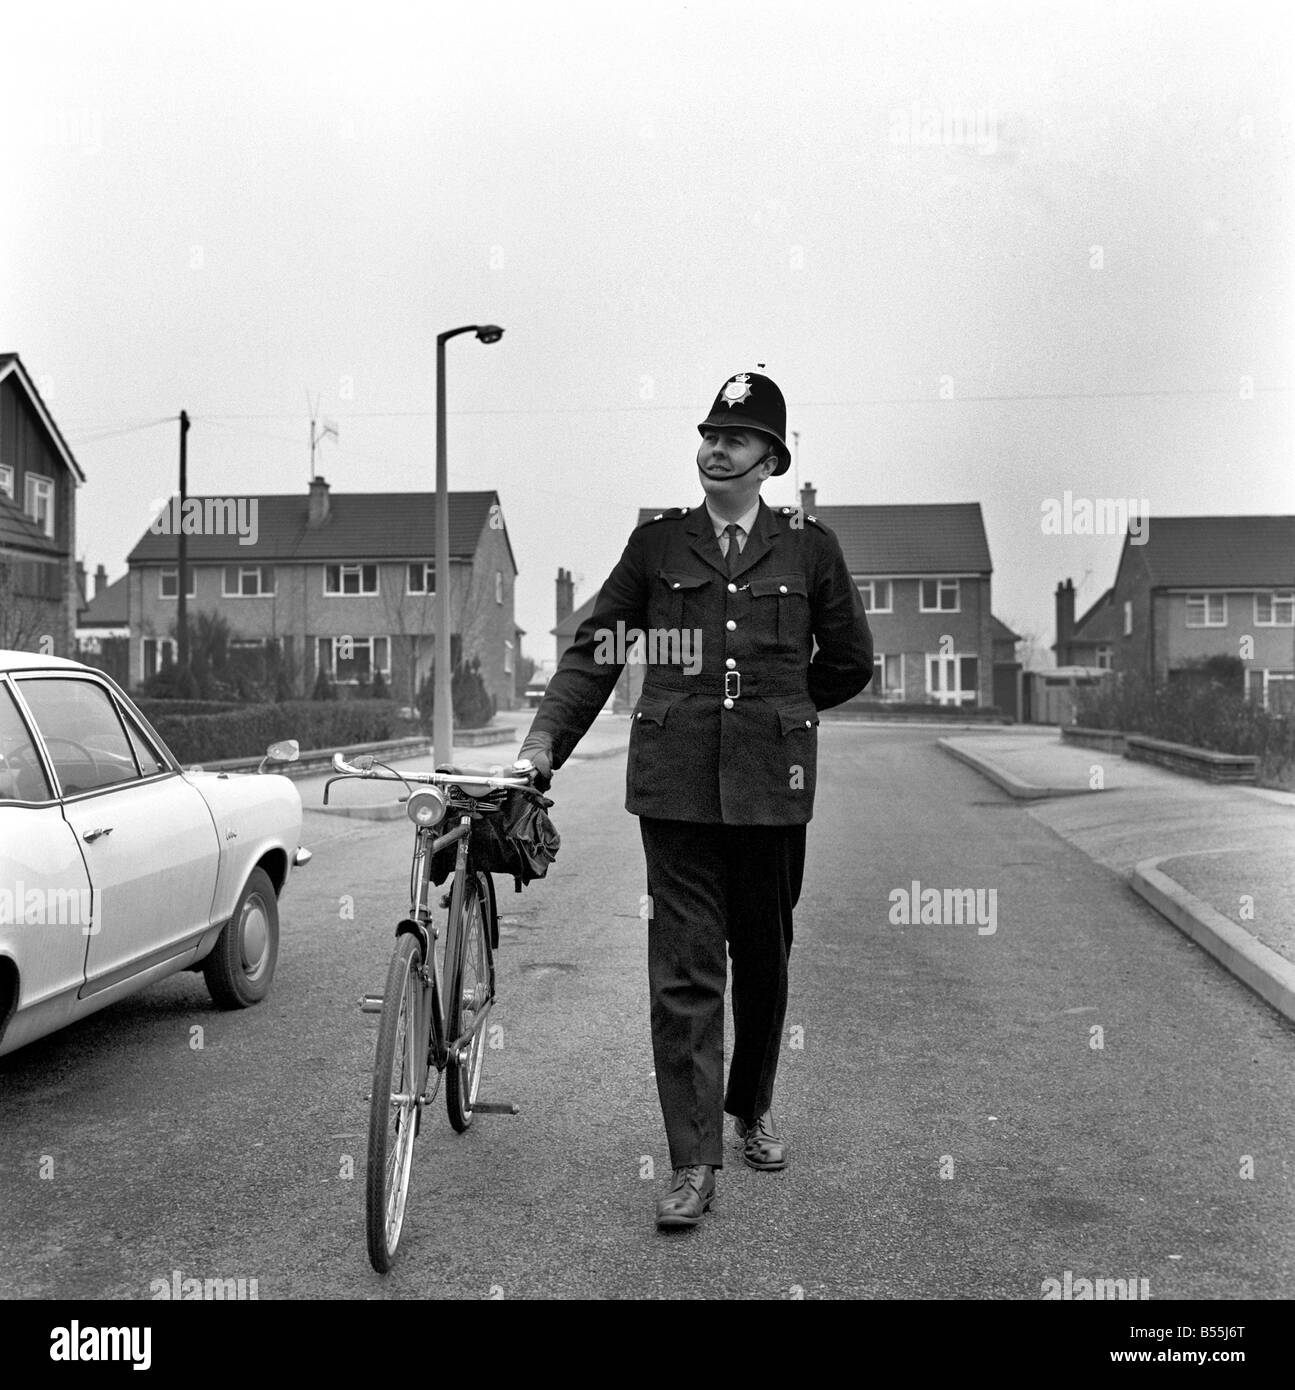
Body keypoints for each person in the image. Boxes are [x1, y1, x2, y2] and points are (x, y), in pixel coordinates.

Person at [517, 369, 873, 1228]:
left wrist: (785, 713)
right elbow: (594, 651)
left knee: (762, 960)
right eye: (710, 434)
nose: (716, 449)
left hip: (771, 789)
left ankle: (750, 1108)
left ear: (771, 459)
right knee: (682, 971)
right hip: (674, 788)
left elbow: (850, 661)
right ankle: (689, 1163)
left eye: (737, 439)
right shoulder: (657, 547)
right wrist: (540, 748)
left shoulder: (808, 549)